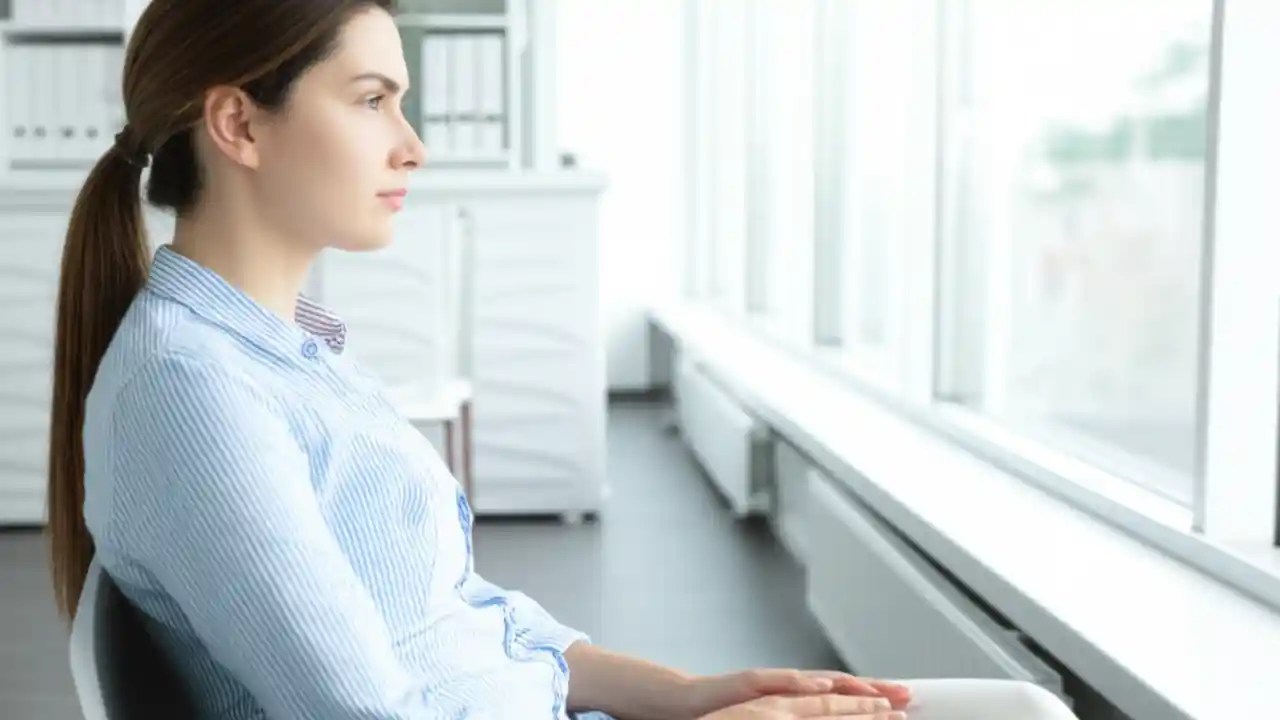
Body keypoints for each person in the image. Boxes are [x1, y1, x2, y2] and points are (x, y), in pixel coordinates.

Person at [44, 1, 1079, 719]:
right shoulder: (192, 393)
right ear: (238, 124)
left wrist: (680, 695)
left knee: (1021, 710)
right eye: (370, 99)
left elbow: (458, 613)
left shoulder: (289, 355)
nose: (411, 143)